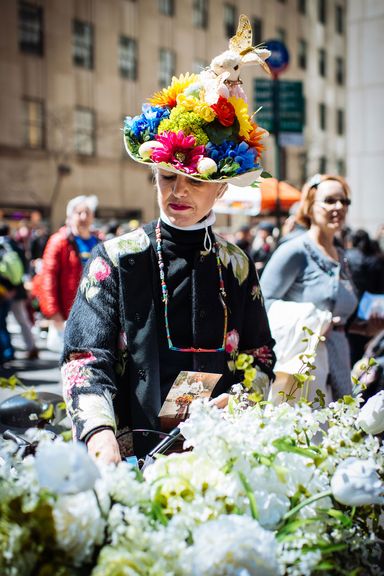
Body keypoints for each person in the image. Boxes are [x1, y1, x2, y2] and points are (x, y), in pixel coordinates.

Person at [61, 46, 276, 464]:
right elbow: (85, 358)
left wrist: (241, 401)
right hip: (129, 453)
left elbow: (260, 355)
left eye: (195, 182)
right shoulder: (116, 258)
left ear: (222, 187)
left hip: (218, 450)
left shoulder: (236, 265)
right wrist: (99, 434)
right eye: (167, 177)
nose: (178, 192)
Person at [260, 174, 383, 404]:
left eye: (344, 201)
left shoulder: (342, 257)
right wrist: (315, 319)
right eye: (329, 200)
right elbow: (261, 303)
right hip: (302, 367)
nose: (339, 207)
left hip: (339, 361)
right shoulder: (294, 251)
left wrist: (363, 328)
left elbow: (336, 320)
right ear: (309, 205)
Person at [36, 195, 99, 330]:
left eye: (87, 213)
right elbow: (48, 277)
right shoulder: (59, 241)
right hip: (68, 313)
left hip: (97, 312)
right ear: (70, 216)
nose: (83, 217)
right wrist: (53, 312)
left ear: (92, 216)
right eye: (79, 213)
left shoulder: (100, 241)